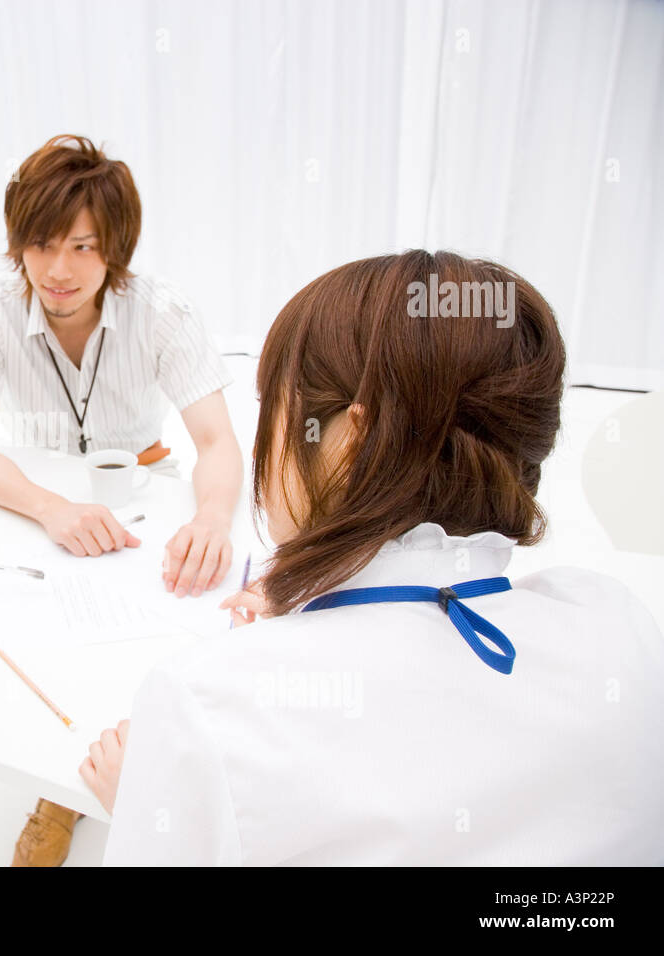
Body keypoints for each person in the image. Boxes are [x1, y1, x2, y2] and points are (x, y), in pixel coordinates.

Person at [80, 250, 664, 864]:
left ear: (350, 441)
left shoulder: (207, 705)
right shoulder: (615, 621)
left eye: (273, 408)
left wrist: (158, 815)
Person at [0, 134, 245, 865]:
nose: (58, 270)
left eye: (82, 247)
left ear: (116, 250)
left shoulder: (163, 313)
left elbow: (219, 442)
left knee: (163, 625)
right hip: (36, 494)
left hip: (139, 490)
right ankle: (59, 788)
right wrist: (50, 508)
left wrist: (209, 517)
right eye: (40, 244)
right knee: (34, 630)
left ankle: (117, 781)